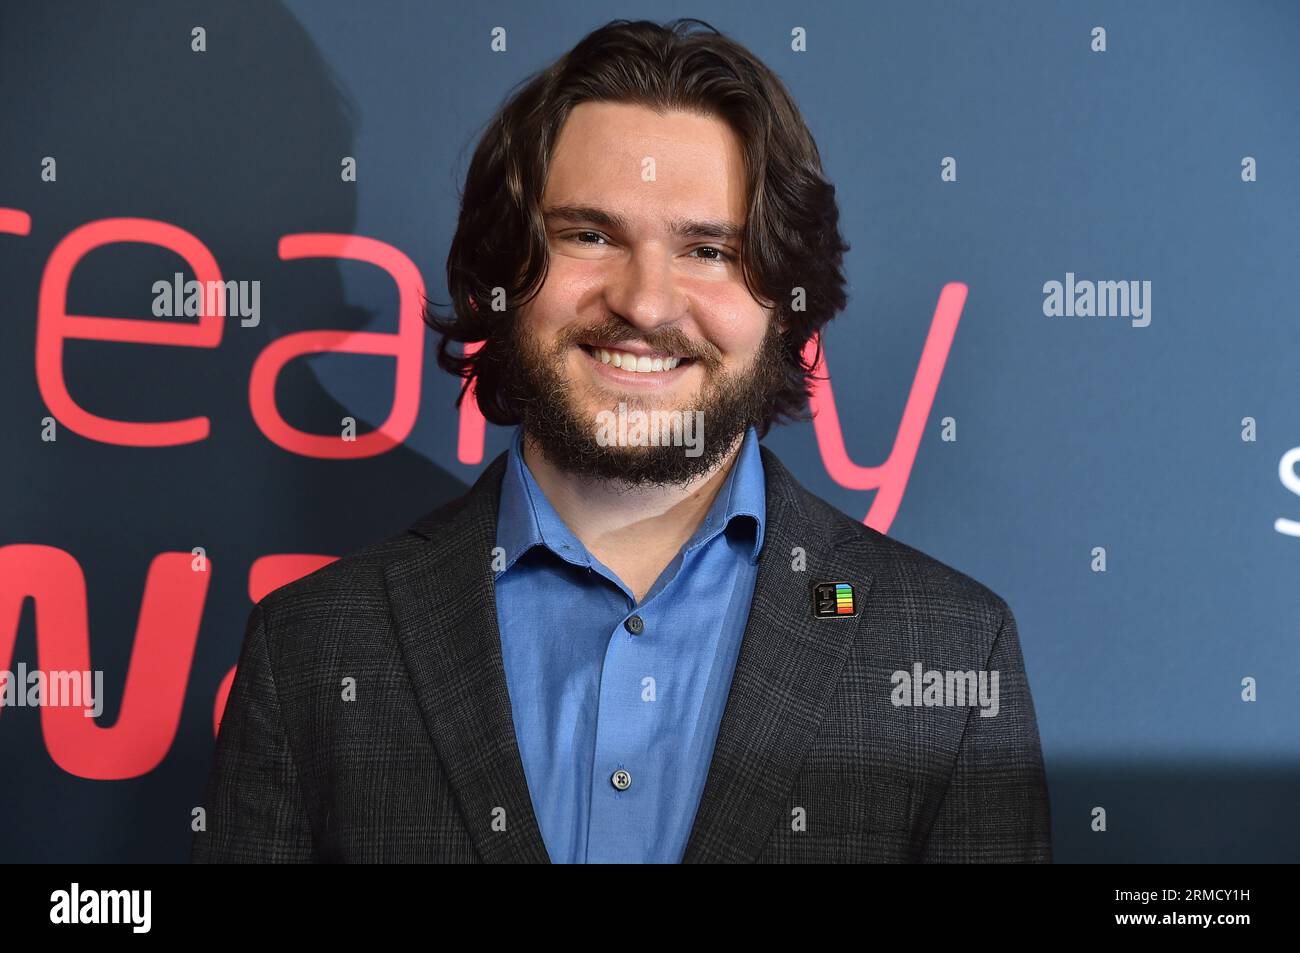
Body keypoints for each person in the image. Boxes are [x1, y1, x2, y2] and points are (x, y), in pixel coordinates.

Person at [192, 17, 1050, 864]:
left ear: (784, 302)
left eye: (710, 249)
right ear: (505, 277)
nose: (645, 303)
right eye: (589, 236)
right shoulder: (314, 647)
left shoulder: (946, 651)